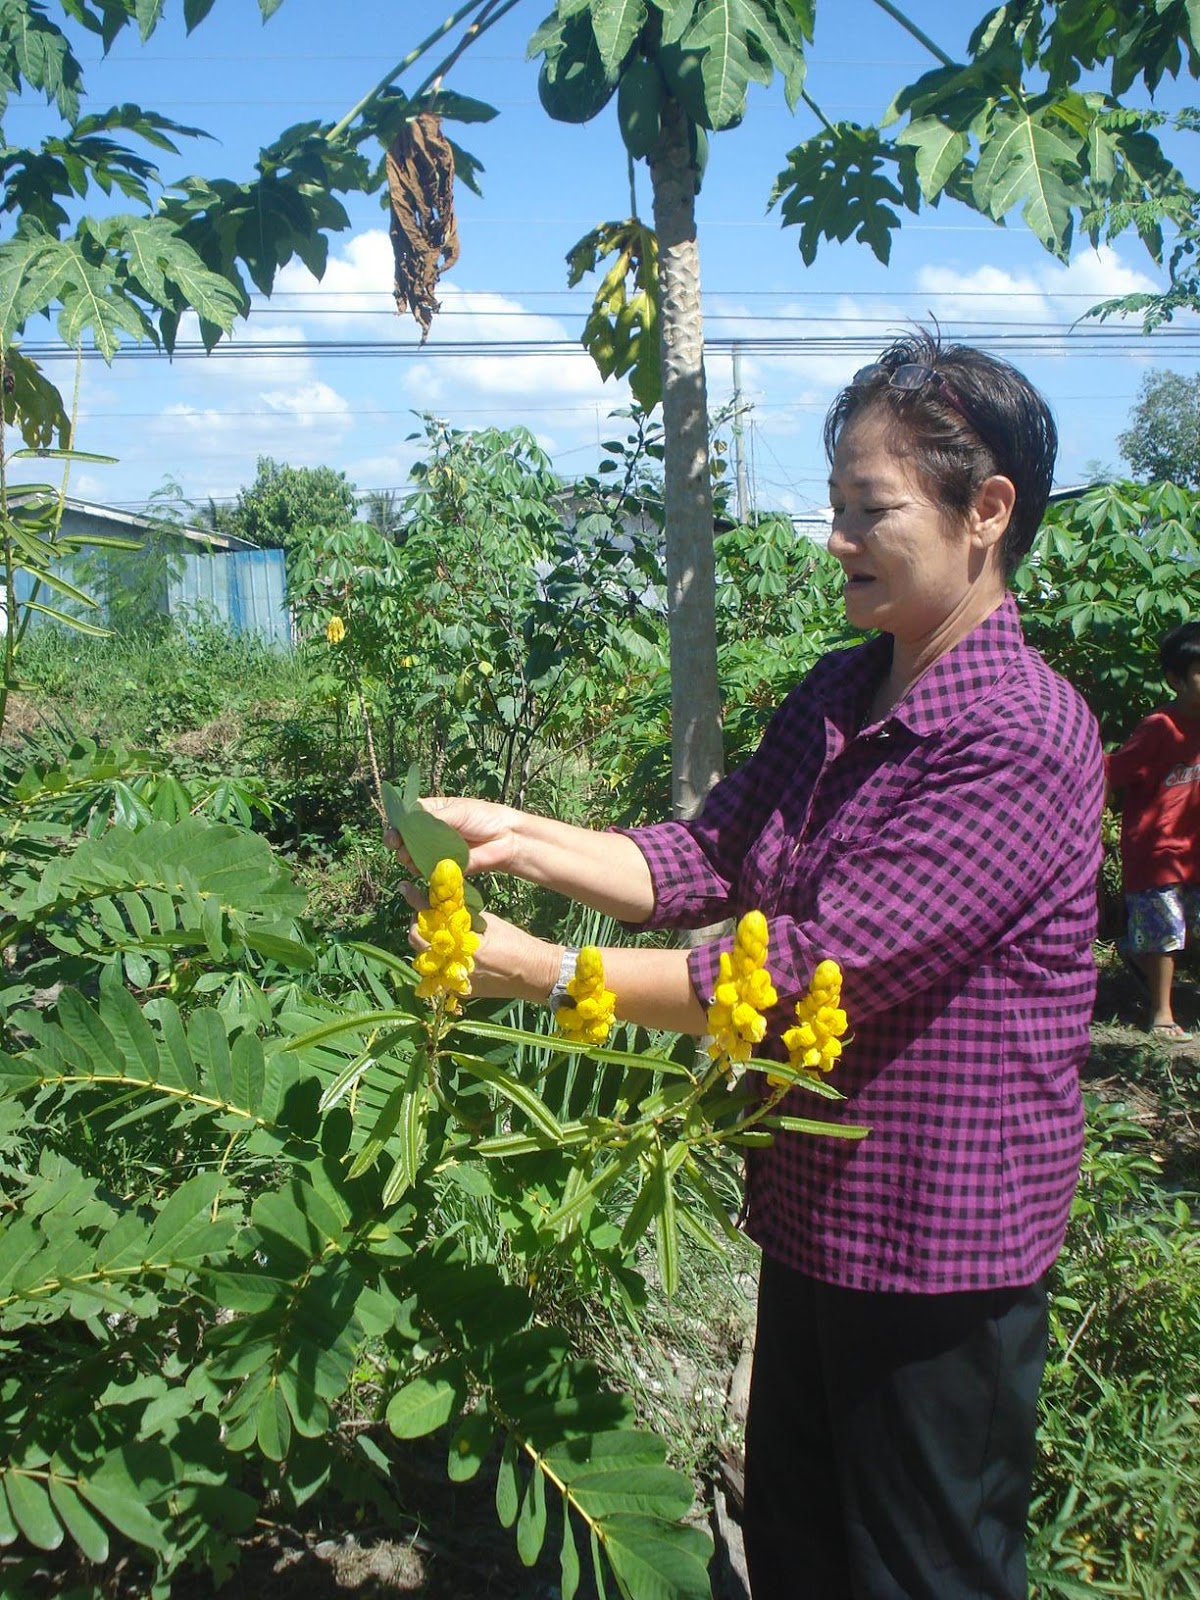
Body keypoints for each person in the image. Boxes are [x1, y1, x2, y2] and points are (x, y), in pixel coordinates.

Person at [389, 329, 1104, 1599]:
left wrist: (551, 974)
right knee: (799, 1550)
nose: (836, 540)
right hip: (819, 1216)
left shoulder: (1024, 733)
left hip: (943, 1247)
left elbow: (813, 965)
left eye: (867, 511)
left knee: (922, 1571)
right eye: (834, 508)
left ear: (986, 510)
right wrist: (527, 841)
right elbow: (710, 851)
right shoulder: (842, 692)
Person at [1105, 620, 1200, 1040]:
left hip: (1194, 850)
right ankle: (1161, 1013)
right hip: (1155, 851)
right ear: (1175, 679)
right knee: (1166, 932)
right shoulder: (1159, 727)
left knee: (1181, 929)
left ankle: (1131, 949)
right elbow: (1113, 771)